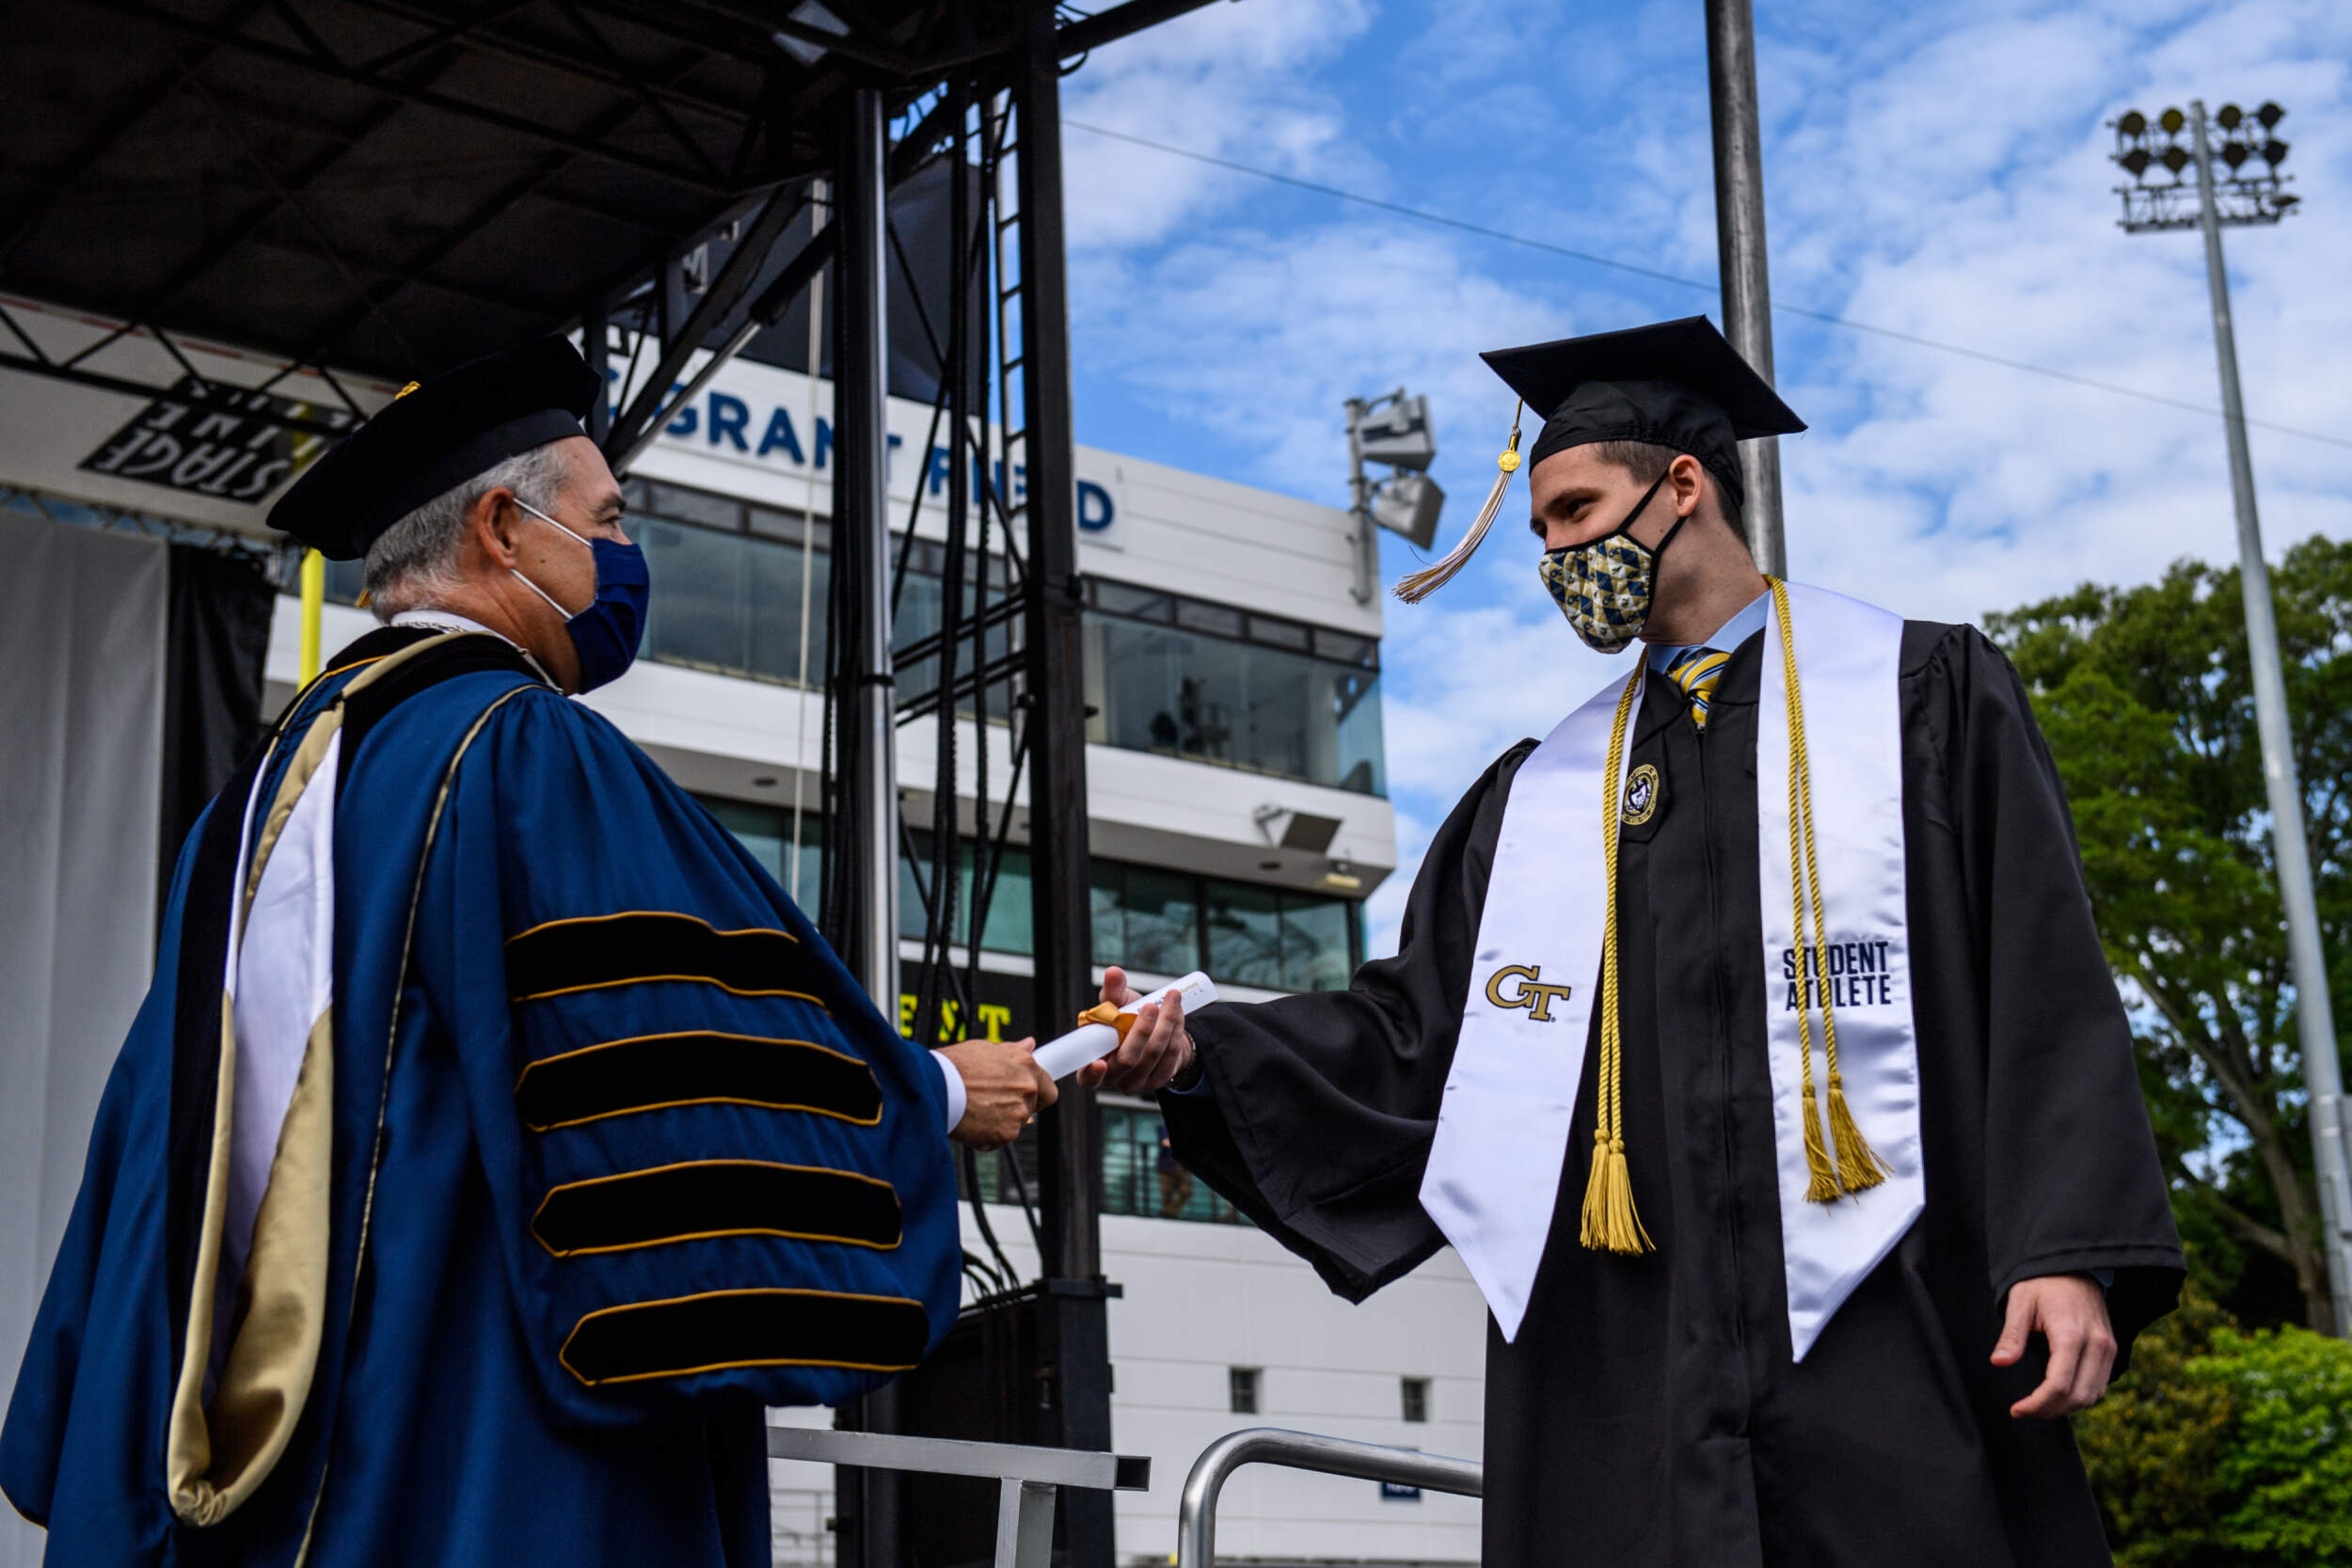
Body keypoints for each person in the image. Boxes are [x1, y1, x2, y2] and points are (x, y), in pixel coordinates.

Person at [1084, 317, 2185, 1568]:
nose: (1556, 553)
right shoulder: (1543, 799)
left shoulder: (1919, 697)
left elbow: (2042, 973)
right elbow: (1411, 1041)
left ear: (1682, 485)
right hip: (1629, 1351)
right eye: (1544, 529)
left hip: (1889, 1314)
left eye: (1572, 511)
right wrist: (1199, 1053)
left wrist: (2065, 1249)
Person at [1, 338, 1055, 1567]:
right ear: (503, 528)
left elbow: (149, 1138)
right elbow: (677, 1067)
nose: (622, 556)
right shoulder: (518, 750)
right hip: (459, 1441)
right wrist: (929, 1092)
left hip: (264, 1460)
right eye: (606, 520)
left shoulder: (253, 805)